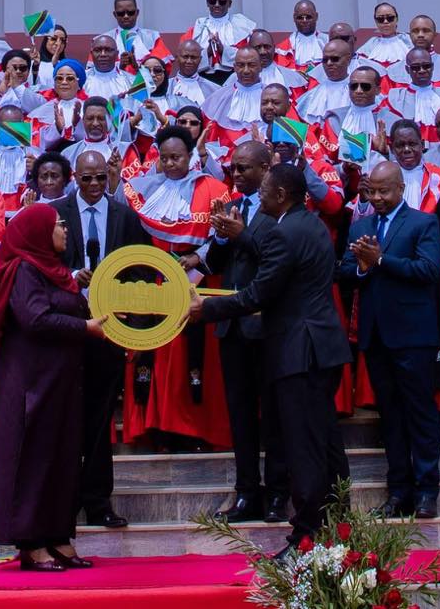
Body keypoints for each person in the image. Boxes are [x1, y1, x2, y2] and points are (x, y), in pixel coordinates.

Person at [197, 163, 353, 556]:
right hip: (322, 348)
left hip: (299, 351)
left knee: (304, 447)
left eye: (265, 189)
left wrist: (203, 310)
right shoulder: (311, 224)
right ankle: (340, 528)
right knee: (326, 443)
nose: (258, 195)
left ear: (281, 194)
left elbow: (258, 295)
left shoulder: (285, 232)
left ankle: (306, 538)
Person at [0, 202, 106, 571]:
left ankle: (58, 536)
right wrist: (84, 328)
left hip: (61, 380)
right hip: (31, 382)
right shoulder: (24, 268)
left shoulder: (56, 271)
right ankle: (31, 542)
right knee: (34, 459)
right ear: (38, 232)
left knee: (62, 457)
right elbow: (34, 318)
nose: (65, 230)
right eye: (58, 225)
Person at [340, 160, 440, 517]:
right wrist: (363, 266)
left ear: (401, 188)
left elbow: (428, 270)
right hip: (376, 335)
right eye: (372, 191)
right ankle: (398, 491)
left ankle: (427, 489)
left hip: (414, 335)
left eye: (385, 191)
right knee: (391, 416)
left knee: (420, 412)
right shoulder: (362, 225)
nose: (378, 198)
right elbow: (343, 271)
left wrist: (382, 261)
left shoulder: (422, 222)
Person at [122, 126, 232, 451]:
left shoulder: (213, 188)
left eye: (177, 157)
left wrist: (197, 259)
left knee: (192, 361)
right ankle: (156, 426)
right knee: (155, 357)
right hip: (155, 282)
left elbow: (222, 237)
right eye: (165, 157)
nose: (171, 164)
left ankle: (193, 429)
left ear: (190, 157)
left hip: (197, 283)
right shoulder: (142, 190)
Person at [61, 149, 150, 529]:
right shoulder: (56, 213)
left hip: (109, 327)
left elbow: (141, 263)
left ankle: (98, 502)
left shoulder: (123, 215)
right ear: (74, 178)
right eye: (87, 179)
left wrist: (123, 296)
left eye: (101, 178)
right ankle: (61, 502)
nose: (95, 185)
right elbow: (37, 265)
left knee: (100, 420)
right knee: (64, 418)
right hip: (66, 325)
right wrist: (70, 277)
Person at [204, 141, 285, 521]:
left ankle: (277, 493)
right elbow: (215, 264)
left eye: (244, 169)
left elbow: (274, 259)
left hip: (267, 326)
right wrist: (221, 237)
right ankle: (246, 493)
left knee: (273, 414)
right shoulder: (229, 206)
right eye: (233, 169)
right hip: (231, 327)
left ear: (266, 168)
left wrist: (239, 234)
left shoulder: (280, 210)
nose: (236, 176)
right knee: (239, 414)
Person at [192, 0, 258, 73]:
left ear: (230, 3)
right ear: (207, 3)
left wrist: (223, 49)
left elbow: (250, 56)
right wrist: (208, 51)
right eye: (212, 1)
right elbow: (188, 58)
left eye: (222, 2)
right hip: (203, 76)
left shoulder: (243, 26)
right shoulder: (198, 27)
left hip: (235, 75)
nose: (217, 5)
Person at [278, 0, 326, 74]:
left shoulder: (327, 42)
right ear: (294, 18)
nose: (304, 21)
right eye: (300, 17)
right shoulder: (282, 49)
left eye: (308, 17)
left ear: (316, 16)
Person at [358, 3, 411, 69]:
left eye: (390, 18)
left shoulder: (408, 40)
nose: (385, 22)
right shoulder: (371, 44)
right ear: (376, 22)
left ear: (397, 19)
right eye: (380, 19)